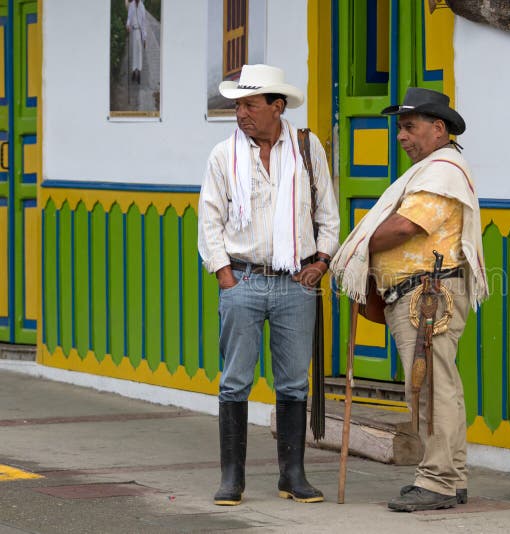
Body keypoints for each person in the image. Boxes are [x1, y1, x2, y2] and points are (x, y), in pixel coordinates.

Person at [331, 87, 489, 512]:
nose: (401, 136)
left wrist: (353, 248)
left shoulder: (443, 173)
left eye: (410, 126)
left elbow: (404, 227)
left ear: (438, 129)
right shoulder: (436, 169)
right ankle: (449, 477)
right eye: (400, 127)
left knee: (430, 388)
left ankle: (437, 480)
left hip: (428, 294)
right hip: (421, 292)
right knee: (438, 386)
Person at [198, 64, 340, 506]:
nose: (240, 113)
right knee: (235, 381)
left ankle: (292, 475)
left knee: (294, 383)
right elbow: (210, 219)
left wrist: (322, 262)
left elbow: (327, 215)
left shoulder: (306, 147)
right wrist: (225, 276)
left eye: (249, 104)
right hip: (242, 279)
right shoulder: (223, 155)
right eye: (237, 105)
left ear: (277, 107)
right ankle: (232, 479)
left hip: (295, 282)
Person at [126, 0, 147, 83]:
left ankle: (139, 73)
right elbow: (129, 18)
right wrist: (127, 25)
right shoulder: (131, 5)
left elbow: (144, 23)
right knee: (134, 52)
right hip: (133, 32)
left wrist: (144, 38)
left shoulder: (142, 7)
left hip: (139, 32)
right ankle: (134, 72)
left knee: (139, 53)